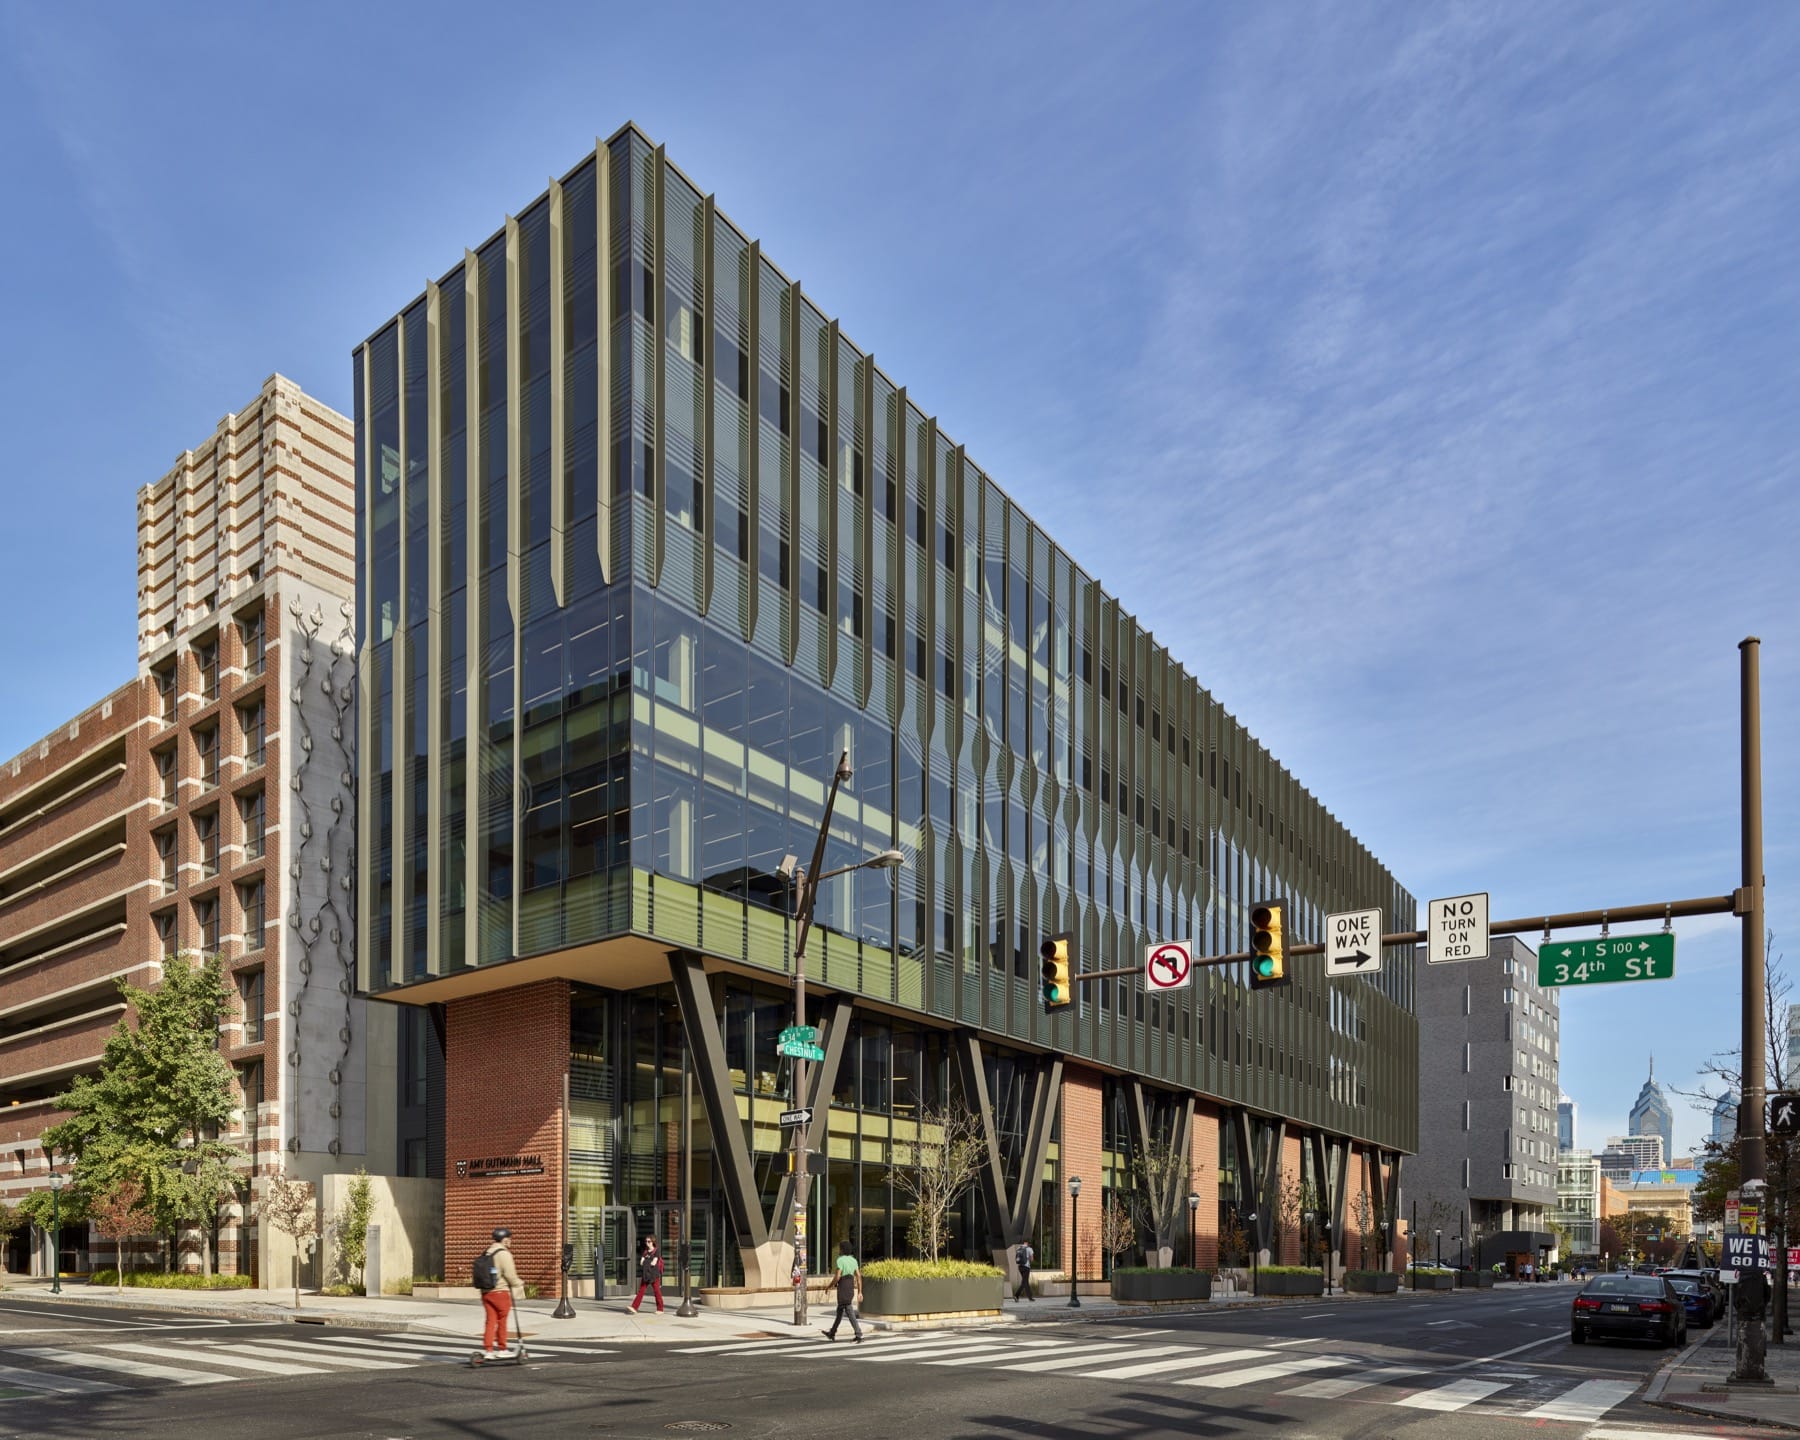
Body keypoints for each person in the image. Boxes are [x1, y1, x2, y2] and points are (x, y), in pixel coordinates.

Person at [472, 1227, 524, 1363]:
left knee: (490, 1321)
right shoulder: (504, 1253)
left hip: (486, 1292)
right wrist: (519, 1283)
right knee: (502, 1320)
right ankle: (502, 1349)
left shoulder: (488, 1251)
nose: (511, 1241)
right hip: (500, 1292)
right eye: (510, 1239)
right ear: (505, 1240)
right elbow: (510, 1275)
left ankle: (488, 1350)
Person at [823, 1240, 862, 1343]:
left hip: (843, 1287)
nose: (839, 1250)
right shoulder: (854, 1260)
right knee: (840, 1311)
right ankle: (832, 1333)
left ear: (843, 1250)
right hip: (850, 1287)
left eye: (840, 1248)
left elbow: (837, 1276)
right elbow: (858, 1276)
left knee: (849, 1311)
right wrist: (859, 1292)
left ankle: (858, 1334)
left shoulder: (840, 1260)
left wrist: (829, 1286)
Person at [630, 1235, 665, 1313]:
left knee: (657, 1291)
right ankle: (634, 1307)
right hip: (646, 1274)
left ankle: (660, 1309)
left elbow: (653, 1263)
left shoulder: (656, 1251)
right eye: (646, 1241)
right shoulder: (645, 1251)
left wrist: (646, 1261)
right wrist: (647, 1261)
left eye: (649, 1241)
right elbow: (641, 1262)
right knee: (641, 1291)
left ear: (653, 1242)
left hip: (654, 1275)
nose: (647, 1243)